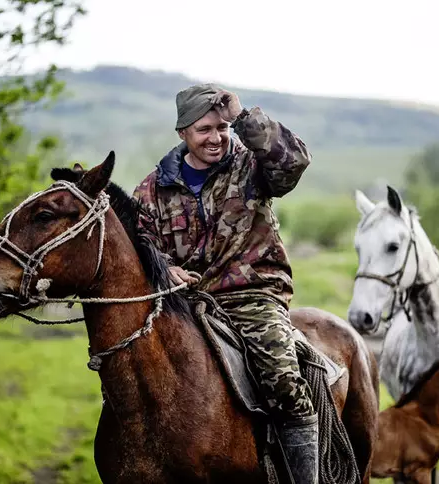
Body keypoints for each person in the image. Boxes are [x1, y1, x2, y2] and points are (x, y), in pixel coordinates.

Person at [132, 83, 317, 483]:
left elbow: (295, 162)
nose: (215, 138)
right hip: (184, 301)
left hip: (251, 293)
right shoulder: (151, 189)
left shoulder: (250, 165)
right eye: (204, 130)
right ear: (182, 133)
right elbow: (139, 245)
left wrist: (245, 117)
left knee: (283, 379)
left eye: (221, 128)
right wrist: (166, 270)